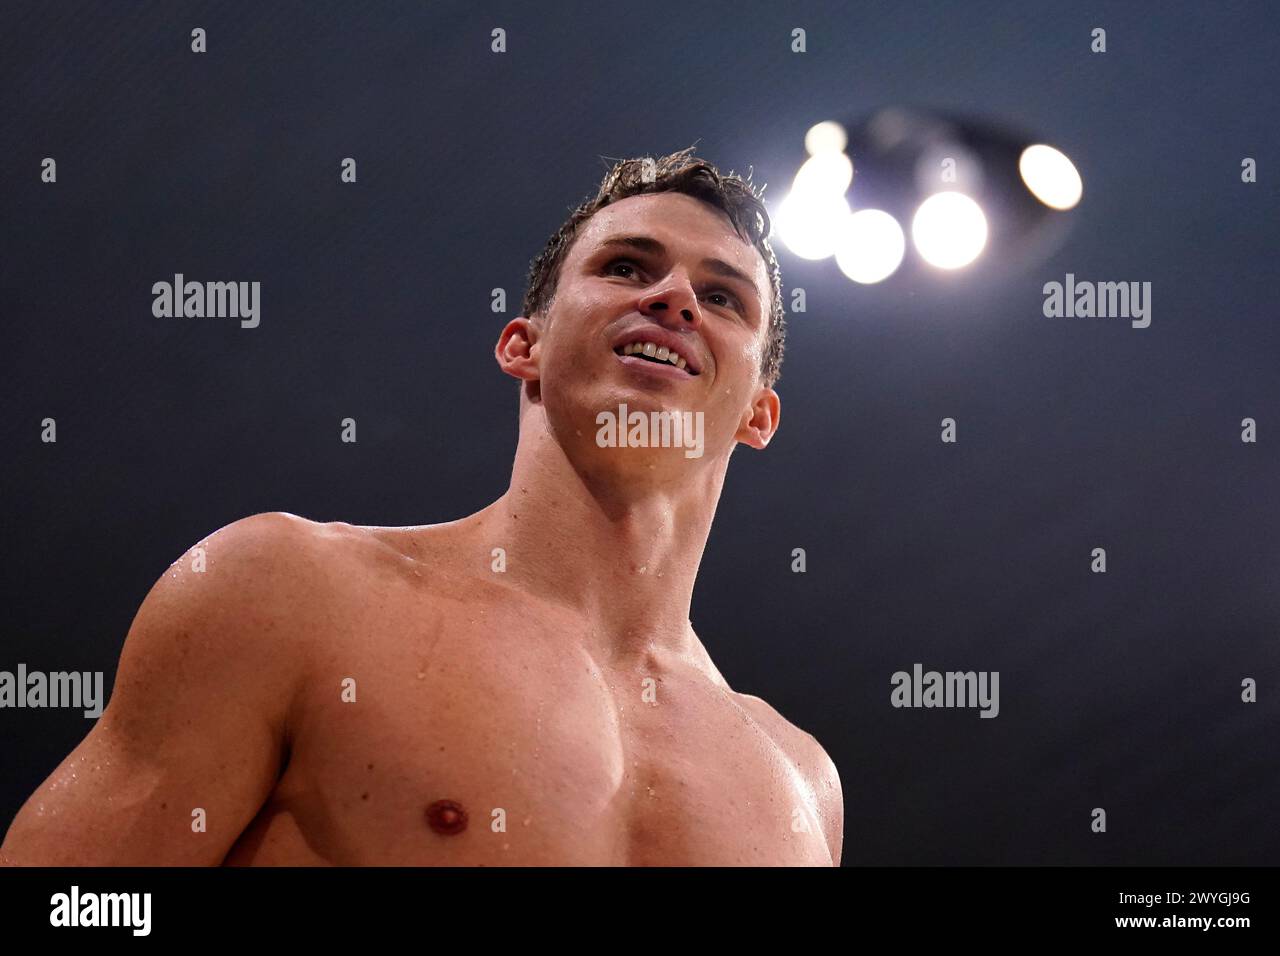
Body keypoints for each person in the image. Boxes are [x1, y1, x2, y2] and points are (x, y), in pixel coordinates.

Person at [1, 147, 843, 866]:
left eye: (724, 295)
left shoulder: (799, 785)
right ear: (526, 346)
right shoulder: (286, 591)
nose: (674, 298)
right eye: (626, 266)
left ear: (758, 415)